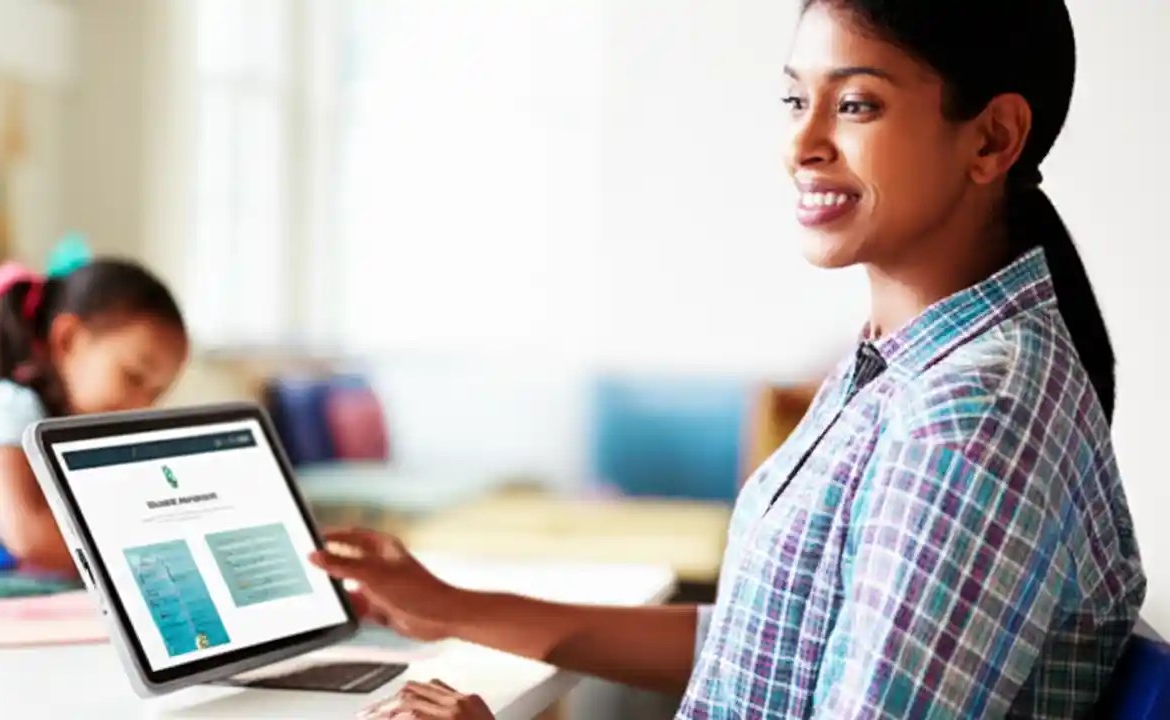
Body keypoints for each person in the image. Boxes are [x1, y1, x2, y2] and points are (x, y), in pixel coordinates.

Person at [311, 0, 1146, 717]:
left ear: (993, 138)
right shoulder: (899, 369)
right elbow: (768, 643)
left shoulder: (971, 415)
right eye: (795, 99)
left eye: (856, 105)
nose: (802, 144)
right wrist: (452, 607)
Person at [0, 259, 188, 576]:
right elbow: (30, 537)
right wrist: (142, 560)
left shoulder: (72, 434)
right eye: (133, 377)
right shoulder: (8, 407)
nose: (141, 406)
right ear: (68, 339)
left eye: (156, 394)